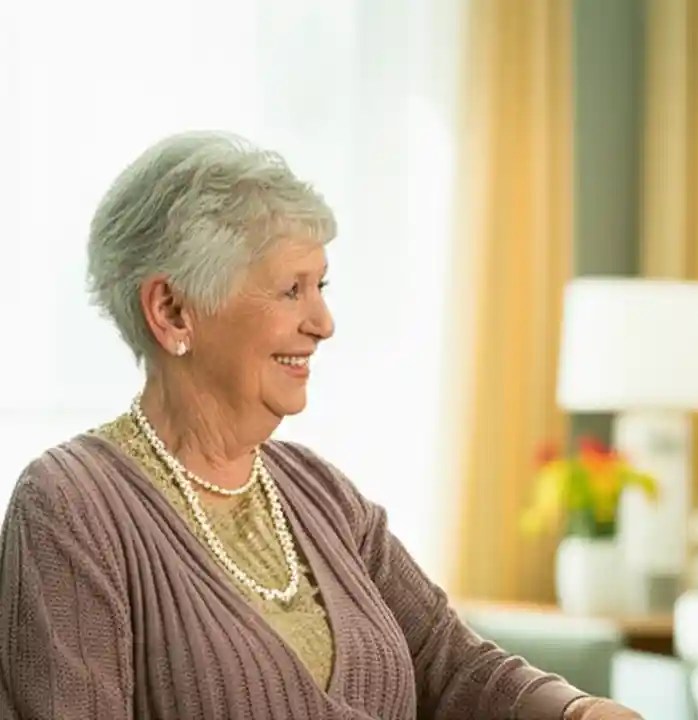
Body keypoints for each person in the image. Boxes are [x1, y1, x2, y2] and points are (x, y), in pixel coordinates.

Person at [0, 132, 639, 720]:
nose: (323, 321)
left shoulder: (318, 492)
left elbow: (449, 664)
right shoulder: (70, 507)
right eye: (291, 290)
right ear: (172, 311)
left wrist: (574, 712)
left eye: (321, 286)